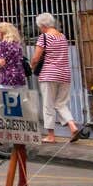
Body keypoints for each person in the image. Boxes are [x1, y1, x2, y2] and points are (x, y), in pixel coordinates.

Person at [32, 12, 83, 143]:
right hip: (64, 74)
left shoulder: (43, 37)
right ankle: (72, 126)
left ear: (42, 25)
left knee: (48, 105)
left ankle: (51, 136)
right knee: (60, 103)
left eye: (39, 27)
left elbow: (36, 58)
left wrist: (32, 67)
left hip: (48, 75)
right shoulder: (62, 36)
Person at [0, 22, 28, 88]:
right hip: (19, 77)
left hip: (8, 78)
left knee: (7, 94)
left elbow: (0, 63)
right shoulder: (17, 44)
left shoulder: (3, 44)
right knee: (19, 94)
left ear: (2, 32)